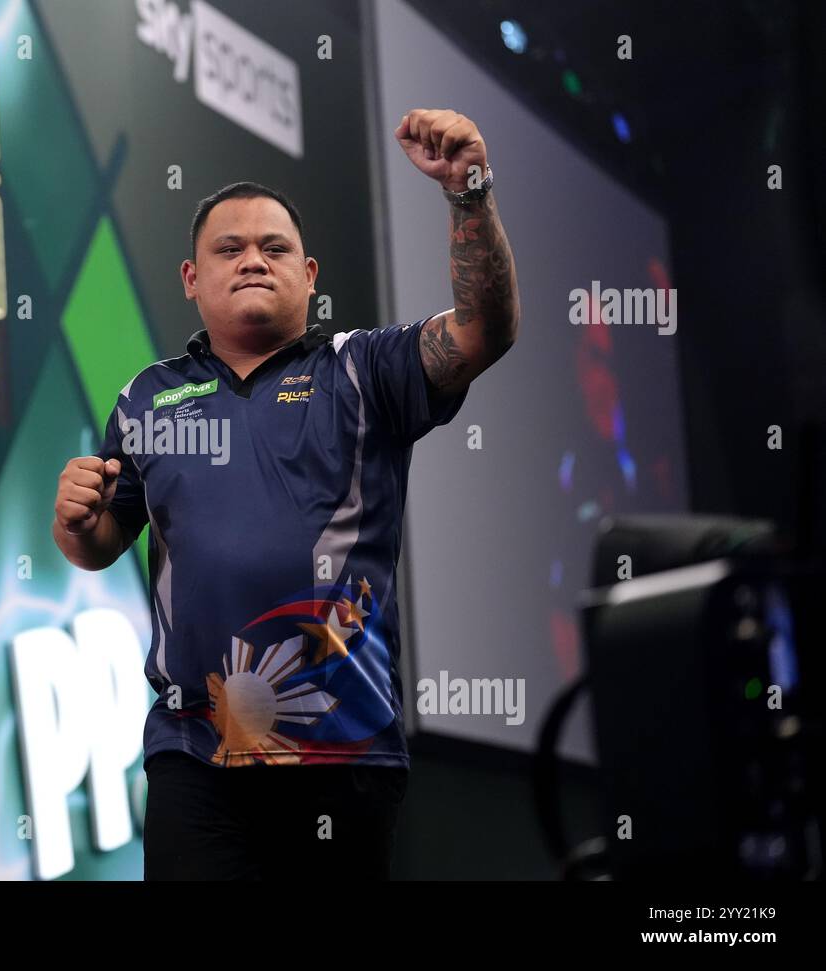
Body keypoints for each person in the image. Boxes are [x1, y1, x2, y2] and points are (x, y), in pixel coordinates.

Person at [52, 109, 520, 879]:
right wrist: (74, 520)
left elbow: (485, 329)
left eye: (276, 248)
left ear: (309, 275)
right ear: (191, 279)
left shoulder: (365, 371)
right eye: (228, 249)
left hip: (344, 752)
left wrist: (468, 191)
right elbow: (101, 540)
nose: (252, 260)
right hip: (192, 752)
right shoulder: (145, 398)